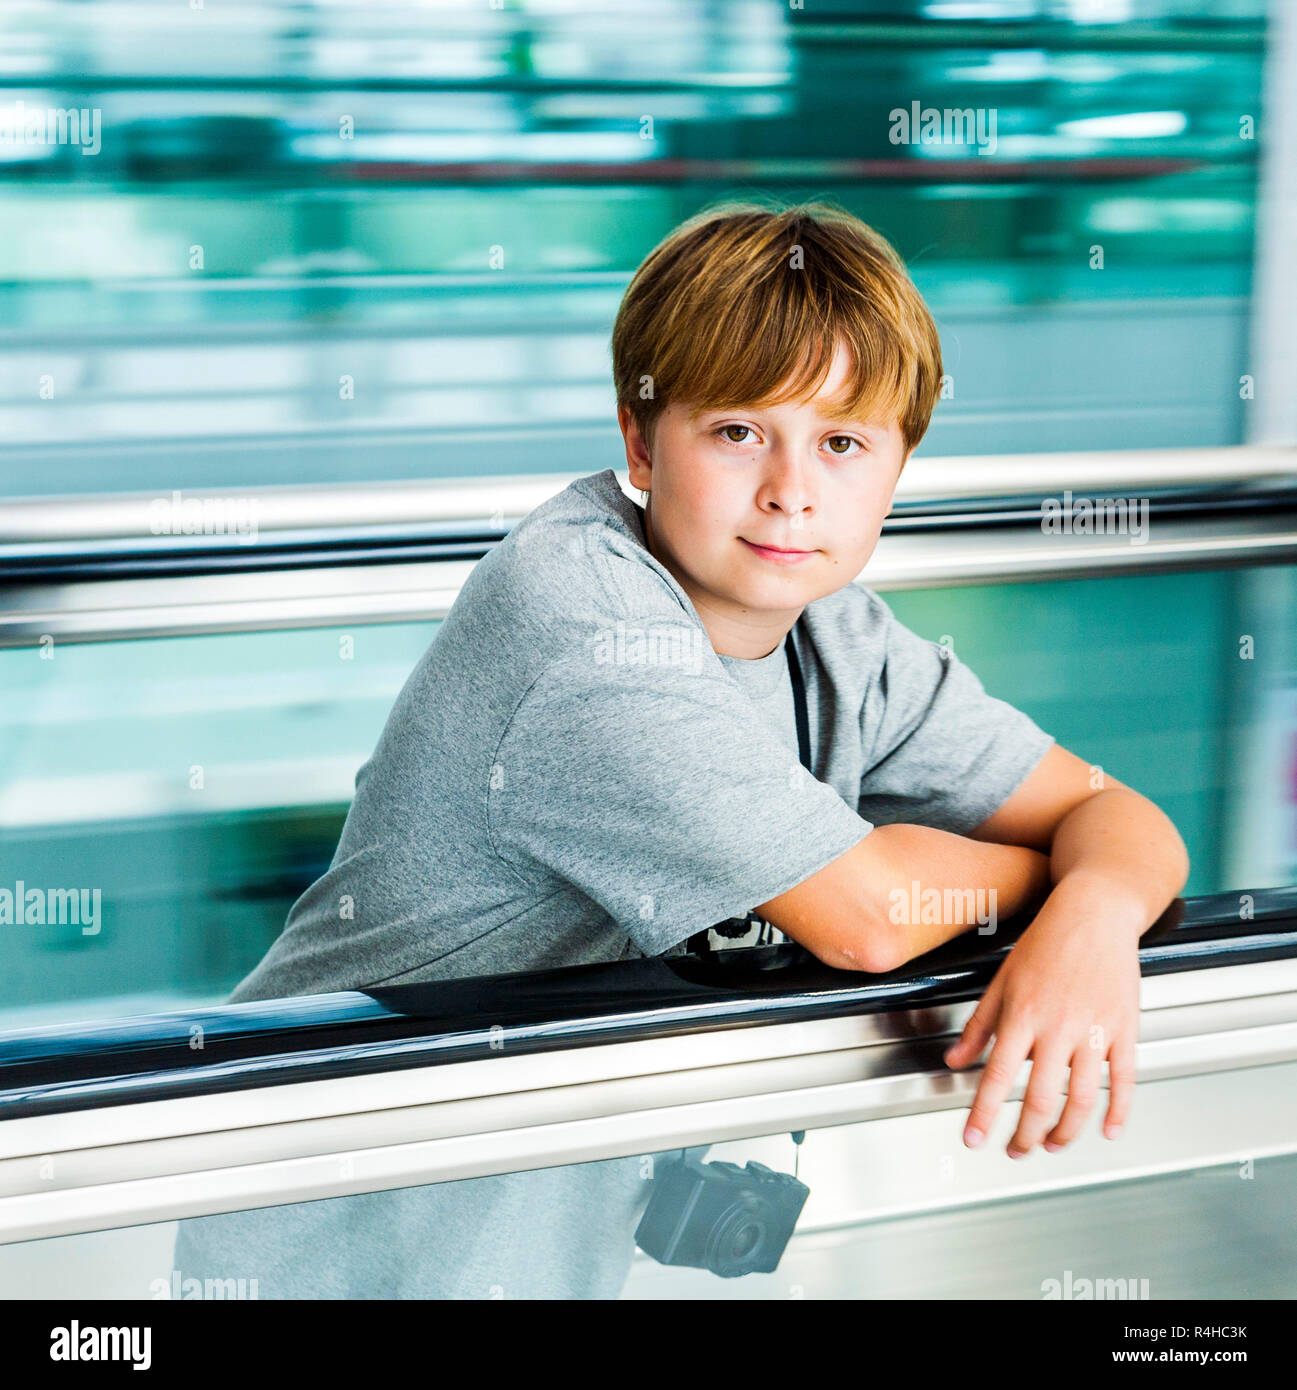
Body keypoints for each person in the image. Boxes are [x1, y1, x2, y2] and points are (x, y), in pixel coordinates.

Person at [171, 199, 1189, 1299]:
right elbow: (869, 917)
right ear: (638, 441)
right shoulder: (585, 627)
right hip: (331, 1242)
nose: (791, 490)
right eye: (739, 430)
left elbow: (1121, 817)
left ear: (897, 471)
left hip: (533, 1240)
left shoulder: (834, 634)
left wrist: (1090, 920)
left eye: (842, 443)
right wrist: (1031, 873)